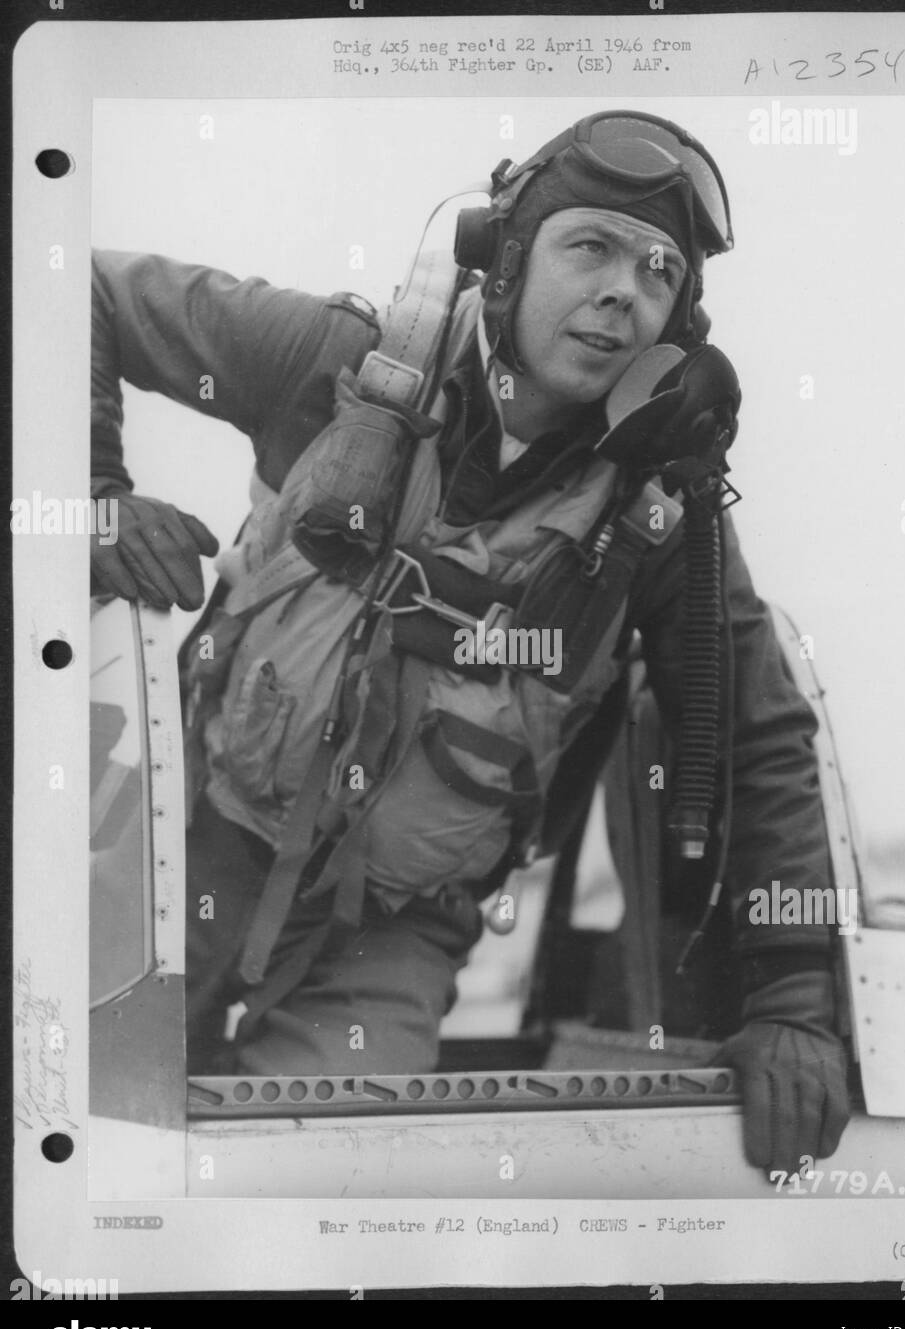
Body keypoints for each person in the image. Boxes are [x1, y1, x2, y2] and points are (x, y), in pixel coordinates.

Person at [90, 109, 850, 1175]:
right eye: (589, 246)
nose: (623, 290)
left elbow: (759, 736)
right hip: (189, 860)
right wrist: (91, 495)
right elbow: (75, 294)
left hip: (385, 937)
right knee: (79, 1125)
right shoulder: (332, 364)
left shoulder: (657, 521)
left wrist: (793, 1000)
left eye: (658, 271)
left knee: (312, 1195)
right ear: (504, 262)